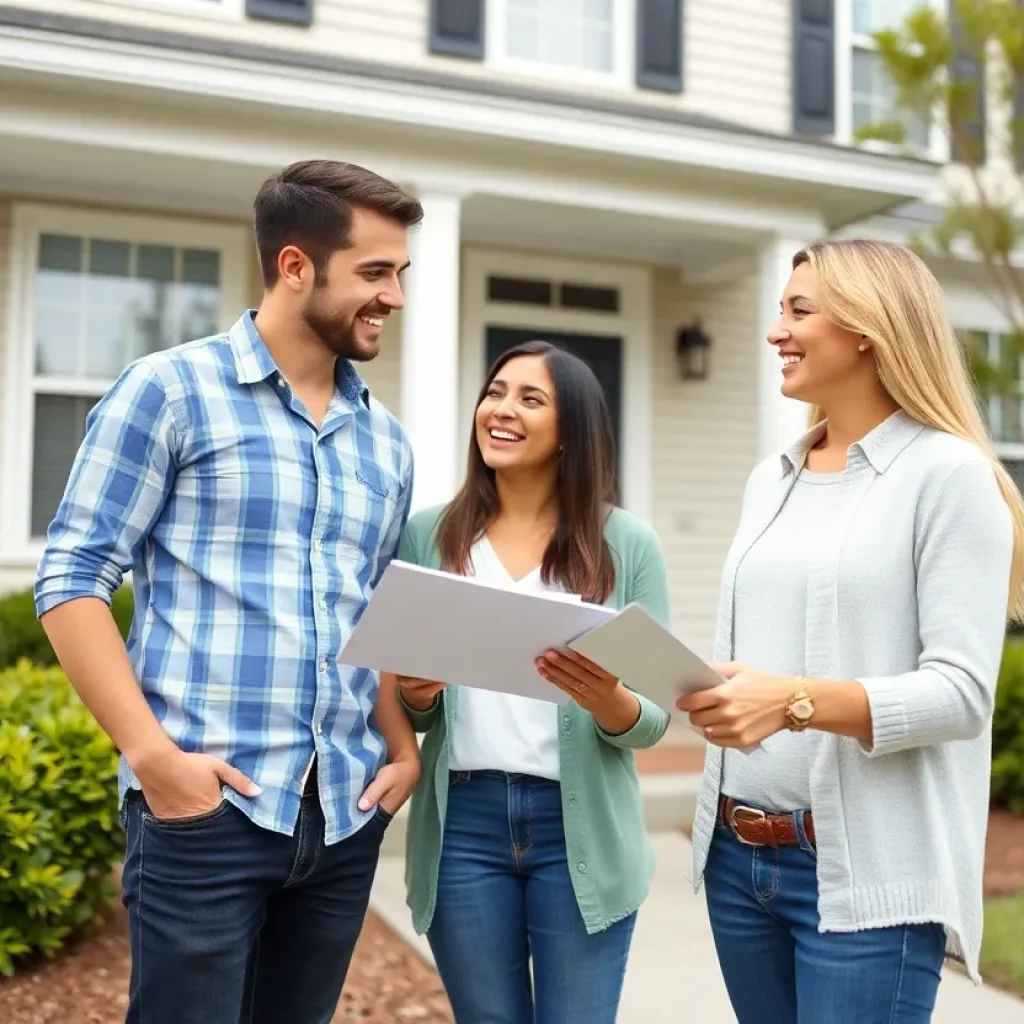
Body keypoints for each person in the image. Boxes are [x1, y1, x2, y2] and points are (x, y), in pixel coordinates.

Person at [34, 159, 425, 1024]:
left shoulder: (386, 442)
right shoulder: (168, 392)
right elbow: (72, 578)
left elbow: (374, 606)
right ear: (295, 266)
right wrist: (154, 762)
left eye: (400, 273)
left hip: (342, 816)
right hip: (206, 812)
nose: (394, 297)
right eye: (375, 272)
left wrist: (401, 748)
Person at [679, 239, 1024, 1023]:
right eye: (780, 310)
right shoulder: (772, 477)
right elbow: (764, 656)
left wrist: (791, 702)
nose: (776, 331)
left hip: (865, 873)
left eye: (799, 311)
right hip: (738, 860)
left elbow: (962, 694)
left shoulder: (949, 476)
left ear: (868, 329)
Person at [385, 340, 670, 1023]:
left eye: (530, 399)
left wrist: (607, 699)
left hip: (580, 828)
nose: (502, 409)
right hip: (464, 826)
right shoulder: (429, 535)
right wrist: (418, 693)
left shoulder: (626, 544)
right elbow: (408, 704)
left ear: (571, 432)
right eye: (495, 392)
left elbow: (655, 717)